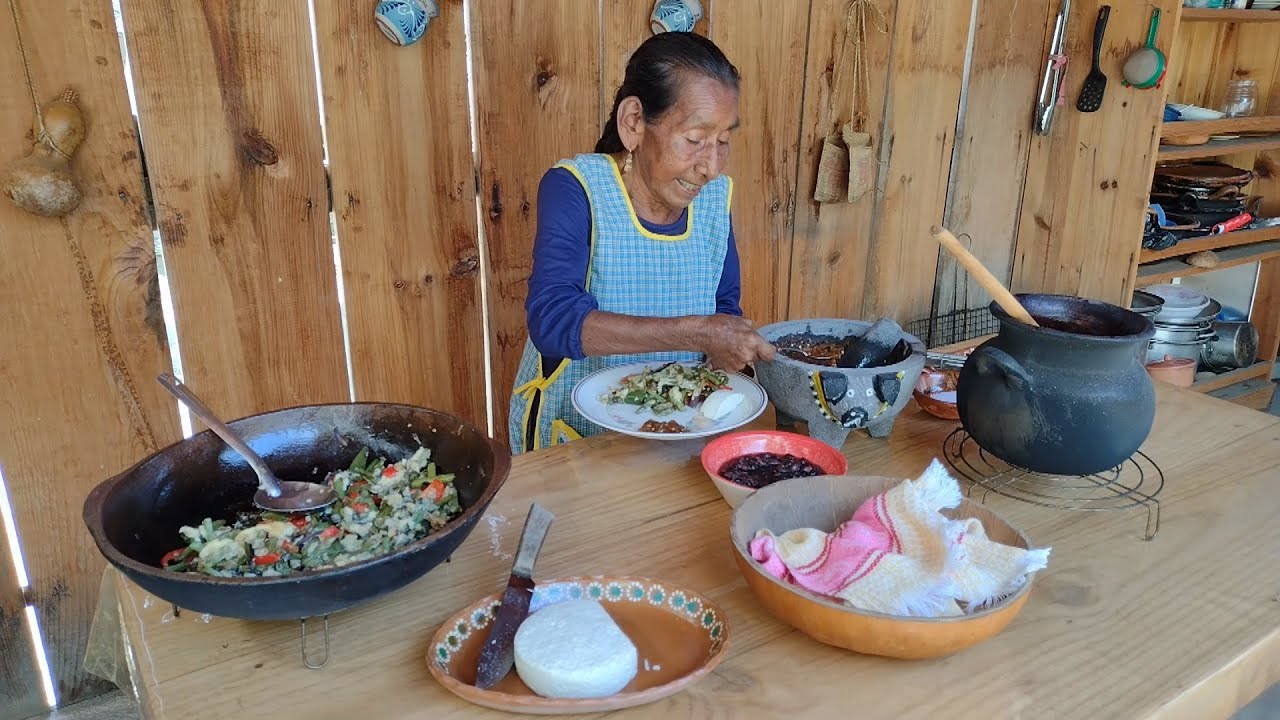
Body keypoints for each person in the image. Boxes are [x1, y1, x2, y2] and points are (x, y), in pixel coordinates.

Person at [508, 31, 775, 454]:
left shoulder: (713, 201)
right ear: (634, 121)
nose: (710, 166)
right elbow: (553, 320)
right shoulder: (576, 189)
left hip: (677, 433)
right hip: (576, 444)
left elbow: (723, 309)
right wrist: (696, 333)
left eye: (723, 142)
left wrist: (726, 352)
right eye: (694, 140)